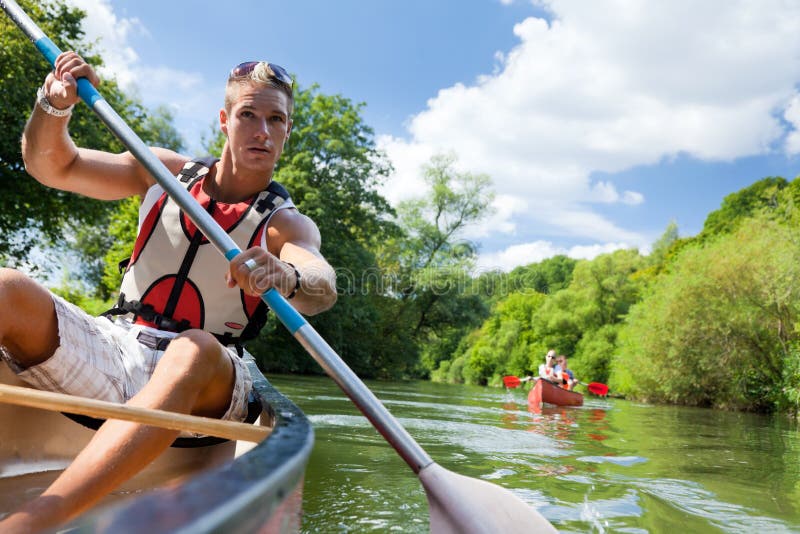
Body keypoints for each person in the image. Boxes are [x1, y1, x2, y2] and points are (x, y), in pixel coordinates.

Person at [0, 52, 337, 532]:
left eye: (275, 119)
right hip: (118, 348)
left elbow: (321, 285)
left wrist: (287, 277)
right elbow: (51, 165)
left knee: (193, 348)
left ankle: (32, 523)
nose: (261, 130)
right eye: (248, 115)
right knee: (7, 288)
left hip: (207, 383)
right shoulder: (162, 173)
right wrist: (52, 107)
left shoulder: (285, 224)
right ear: (225, 121)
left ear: (287, 131)